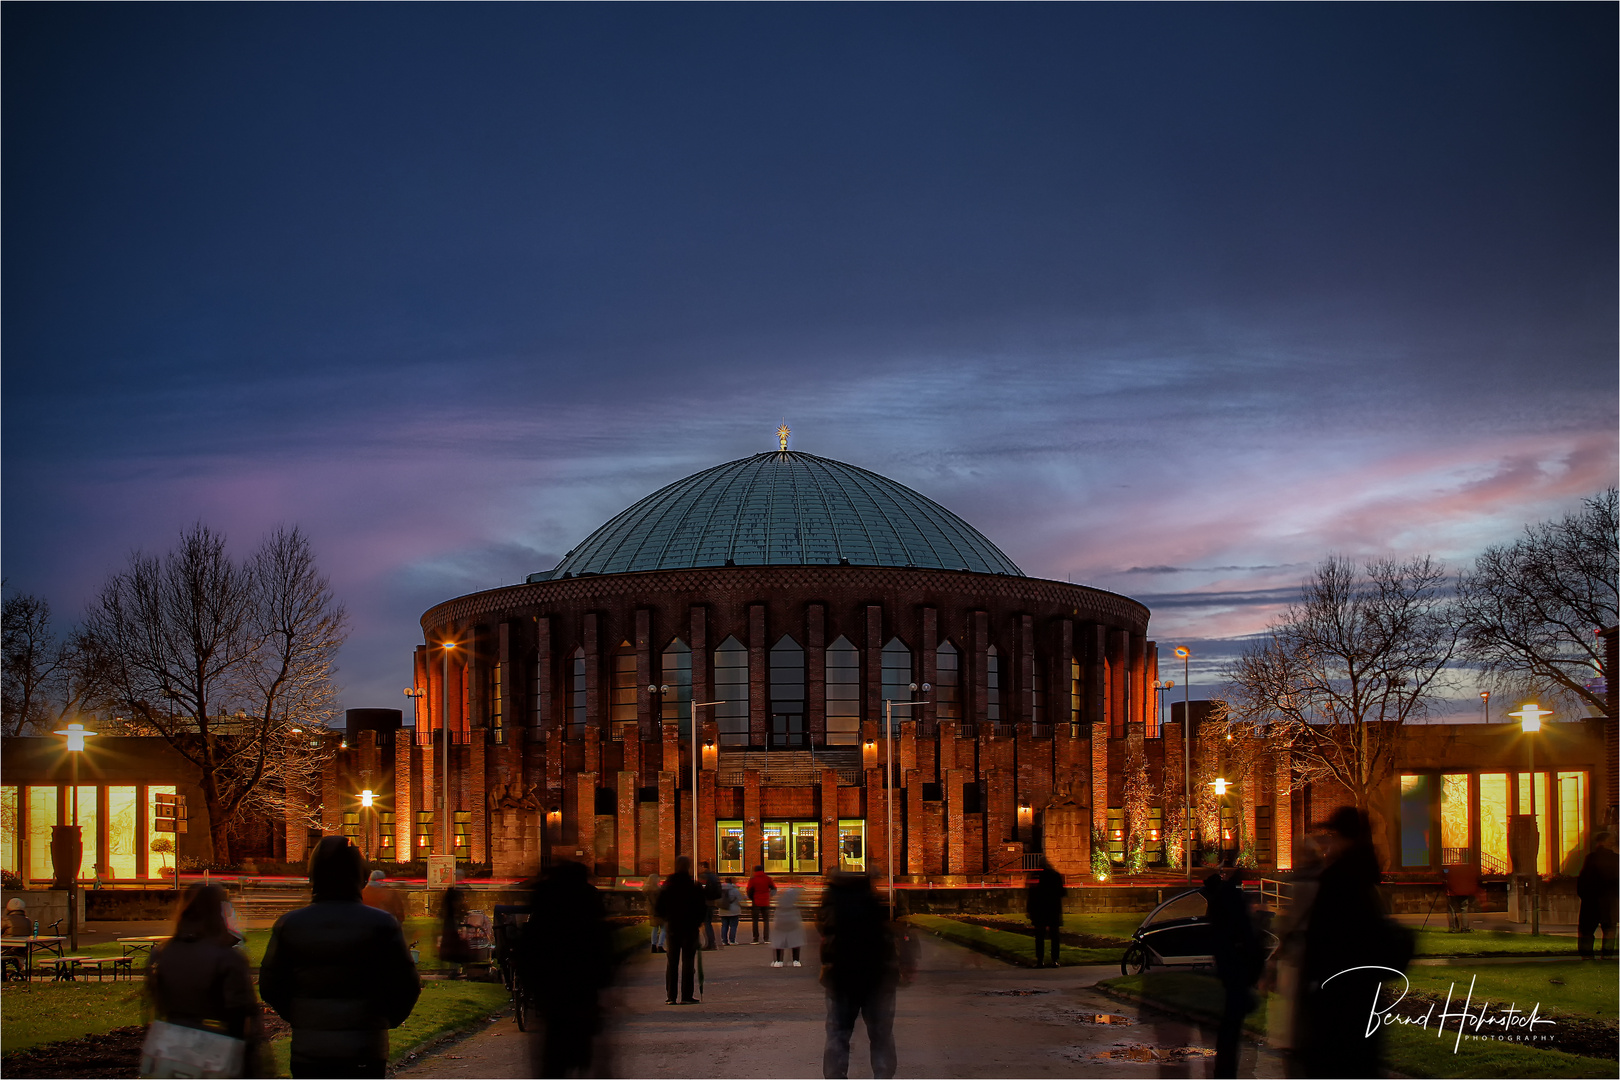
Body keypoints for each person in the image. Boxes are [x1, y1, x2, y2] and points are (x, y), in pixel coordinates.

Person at [259, 837, 421, 1078]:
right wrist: (384, 1020)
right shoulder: (382, 925)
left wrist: (301, 1016)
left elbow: (271, 987)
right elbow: (406, 985)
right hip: (365, 1048)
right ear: (361, 877)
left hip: (310, 1050)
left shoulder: (290, 925)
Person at [1292, 807, 1403, 1080]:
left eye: (1333, 835)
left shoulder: (1338, 880)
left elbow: (1322, 941)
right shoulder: (1366, 878)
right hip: (1363, 1001)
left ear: (1346, 838)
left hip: (1336, 1002)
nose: (1328, 843)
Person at [146, 883, 262, 1074]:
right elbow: (240, 1016)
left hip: (171, 1050)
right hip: (215, 1050)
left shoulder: (163, 954)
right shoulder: (228, 958)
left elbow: (157, 1006)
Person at [517, 860, 614, 1077]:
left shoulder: (545, 901)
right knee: (584, 1053)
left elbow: (529, 950)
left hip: (552, 995)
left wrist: (533, 986)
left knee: (553, 1058)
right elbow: (602, 947)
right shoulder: (589, 901)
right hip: (582, 993)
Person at [818, 872, 899, 1079]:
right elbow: (888, 937)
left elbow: (824, 935)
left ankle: (836, 1076)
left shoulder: (831, 904)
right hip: (877, 978)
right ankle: (882, 1075)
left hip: (841, 978)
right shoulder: (872, 901)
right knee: (881, 1035)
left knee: (838, 1035)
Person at [1202, 868, 1262, 1079]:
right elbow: (1246, 934)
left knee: (1229, 1025)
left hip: (1230, 969)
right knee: (1232, 1023)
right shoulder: (1232, 900)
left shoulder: (1219, 902)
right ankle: (1228, 1071)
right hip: (1237, 968)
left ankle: (1224, 1070)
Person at [655, 856, 708, 1004]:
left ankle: (671, 996)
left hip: (673, 927)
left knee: (672, 962)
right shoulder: (693, 885)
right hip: (690, 928)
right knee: (688, 962)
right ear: (688, 867)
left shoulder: (669, 884)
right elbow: (702, 908)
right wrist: (697, 922)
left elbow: (659, 907)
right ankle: (686, 996)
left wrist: (667, 918)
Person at [1576, 831, 1618, 960]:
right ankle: (1607, 956)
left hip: (1592, 901)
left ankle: (1587, 956)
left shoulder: (1592, 858)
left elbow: (1583, 880)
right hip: (1609, 902)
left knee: (1586, 931)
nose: (1612, 842)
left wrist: (1584, 895)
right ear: (1603, 842)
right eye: (1610, 839)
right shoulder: (1616, 859)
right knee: (1609, 930)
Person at [1025, 861, 1064, 967]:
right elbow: (1062, 892)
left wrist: (1029, 909)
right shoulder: (1055, 875)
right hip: (1053, 909)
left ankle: (1040, 960)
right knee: (1054, 937)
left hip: (1040, 910)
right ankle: (1055, 960)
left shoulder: (1036, 876)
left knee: (1039, 937)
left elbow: (1031, 894)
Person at [772, 885, 805, 967]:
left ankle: (779, 961)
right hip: (793, 925)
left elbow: (777, 915)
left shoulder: (781, 904)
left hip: (781, 925)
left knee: (780, 943)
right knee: (795, 941)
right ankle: (796, 960)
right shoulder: (793, 905)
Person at [1443, 859, 1480, 933]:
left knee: (1451, 911)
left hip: (1452, 893)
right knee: (1464, 910)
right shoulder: (1466, 870)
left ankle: (1453, 928)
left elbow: (1445, 876)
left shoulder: (1451, 870)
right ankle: (1465, 928)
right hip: (1463, 892)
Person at [747, 864, 776, 944]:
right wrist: (769, 896)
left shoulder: (753, 879)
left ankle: (756, 938)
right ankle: (766, 938)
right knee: (766, 920)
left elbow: (749, 890)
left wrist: (752, 898)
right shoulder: (767, 878)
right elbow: (773, 888)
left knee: (755, 920)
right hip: (766, 901)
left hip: (756, 901)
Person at [699, 861, 722, 950]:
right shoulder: (714, 876)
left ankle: (710, 943)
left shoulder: (704, 876)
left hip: (705, 902)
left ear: (703, 867)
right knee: (708, 922)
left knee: (706, 923)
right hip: (712, 902)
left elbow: (702, 889)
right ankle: (711, 942)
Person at [642, 872, 666, 953]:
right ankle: (660, 945)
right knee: (663, 928)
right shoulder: (657, 890)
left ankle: (653, 946)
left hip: (651, 911)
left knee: (655, 928)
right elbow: (658, 901)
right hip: (658, 910)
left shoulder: (646, 889)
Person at [719, 877, 743, 946]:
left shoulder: (720, 890)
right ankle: (732, 940)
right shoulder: (735, 890)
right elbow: (740, 899)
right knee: (733, 926)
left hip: (723, 910)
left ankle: (724, 941)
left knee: (724, 926)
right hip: (734, 910)